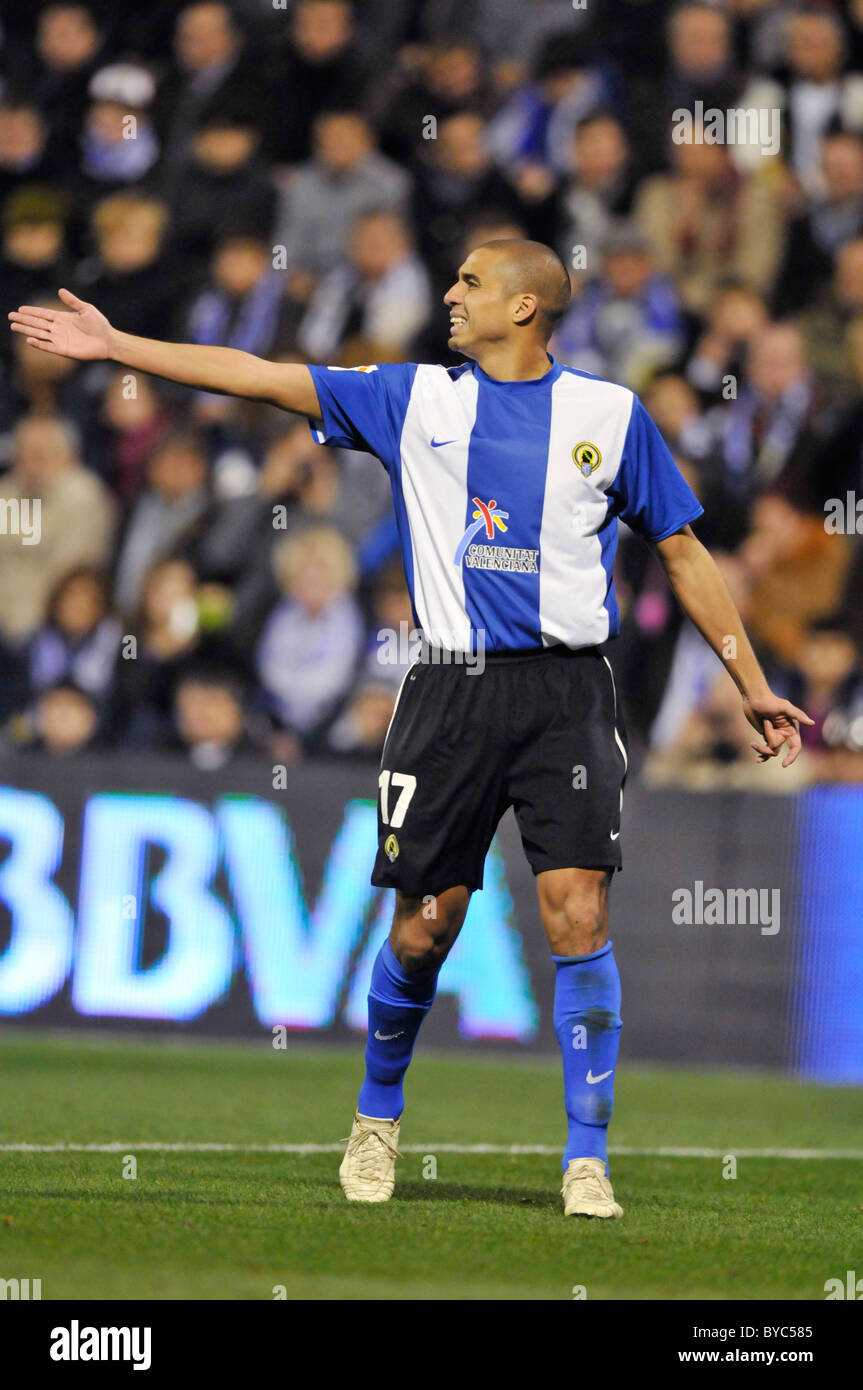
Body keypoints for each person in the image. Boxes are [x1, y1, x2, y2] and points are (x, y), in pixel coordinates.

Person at [8, 238, 811, 1219]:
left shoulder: (609, 416)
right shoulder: (414, 398)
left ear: (524, 307)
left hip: (566, 694)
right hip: (448, 692)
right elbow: (258, 375)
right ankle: (376, 1116)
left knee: (577, 913)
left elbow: (682, 552)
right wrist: (120, 345)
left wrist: (749, 681)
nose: (450, 294)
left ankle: (586, 1157)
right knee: (426, 925)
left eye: (471, 282)